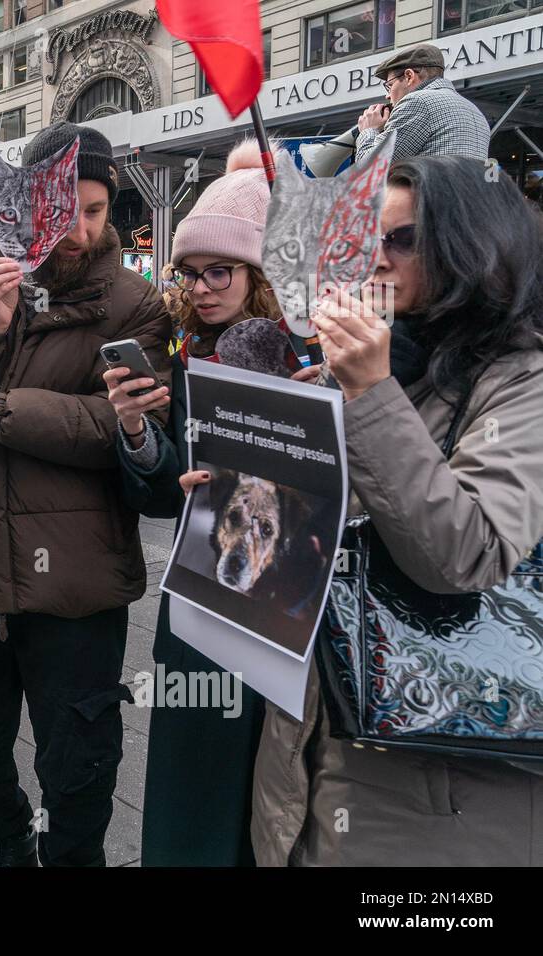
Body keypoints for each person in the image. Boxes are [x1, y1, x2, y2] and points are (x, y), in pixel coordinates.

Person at [250, 157, 543, 865]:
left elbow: (464, 556)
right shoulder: (381, 366)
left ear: (474, 246)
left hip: (447, 778)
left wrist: (370, 395)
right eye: (366, 237)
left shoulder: (521, 379)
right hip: (326, 734)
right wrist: (241, 495)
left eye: (403, 240)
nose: (374, 258)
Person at [0, 121, 173, 866]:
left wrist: (3, 407)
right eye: (66, 209)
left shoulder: (134, 304)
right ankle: (12, 837)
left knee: (79, 762)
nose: (80, 229)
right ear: (29, 201)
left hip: (76, 585)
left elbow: (119, 425)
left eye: (95, 210)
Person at [105, 141, 319, 867]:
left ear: (259, 272)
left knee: (270, 802)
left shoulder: (310, 355)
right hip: (199, 603)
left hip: (282, 617)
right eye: (189, 272)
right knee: (189, 797)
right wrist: (136, 432)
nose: (199, 287)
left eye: (218, 271)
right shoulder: (184, 352)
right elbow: (159, 485)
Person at [356, 43, 490, 164]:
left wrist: (369, 130)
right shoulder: (474, 111)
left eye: (390, 85)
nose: (388, 95)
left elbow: (370, 169)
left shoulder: (417, 102)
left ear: (409, 76)